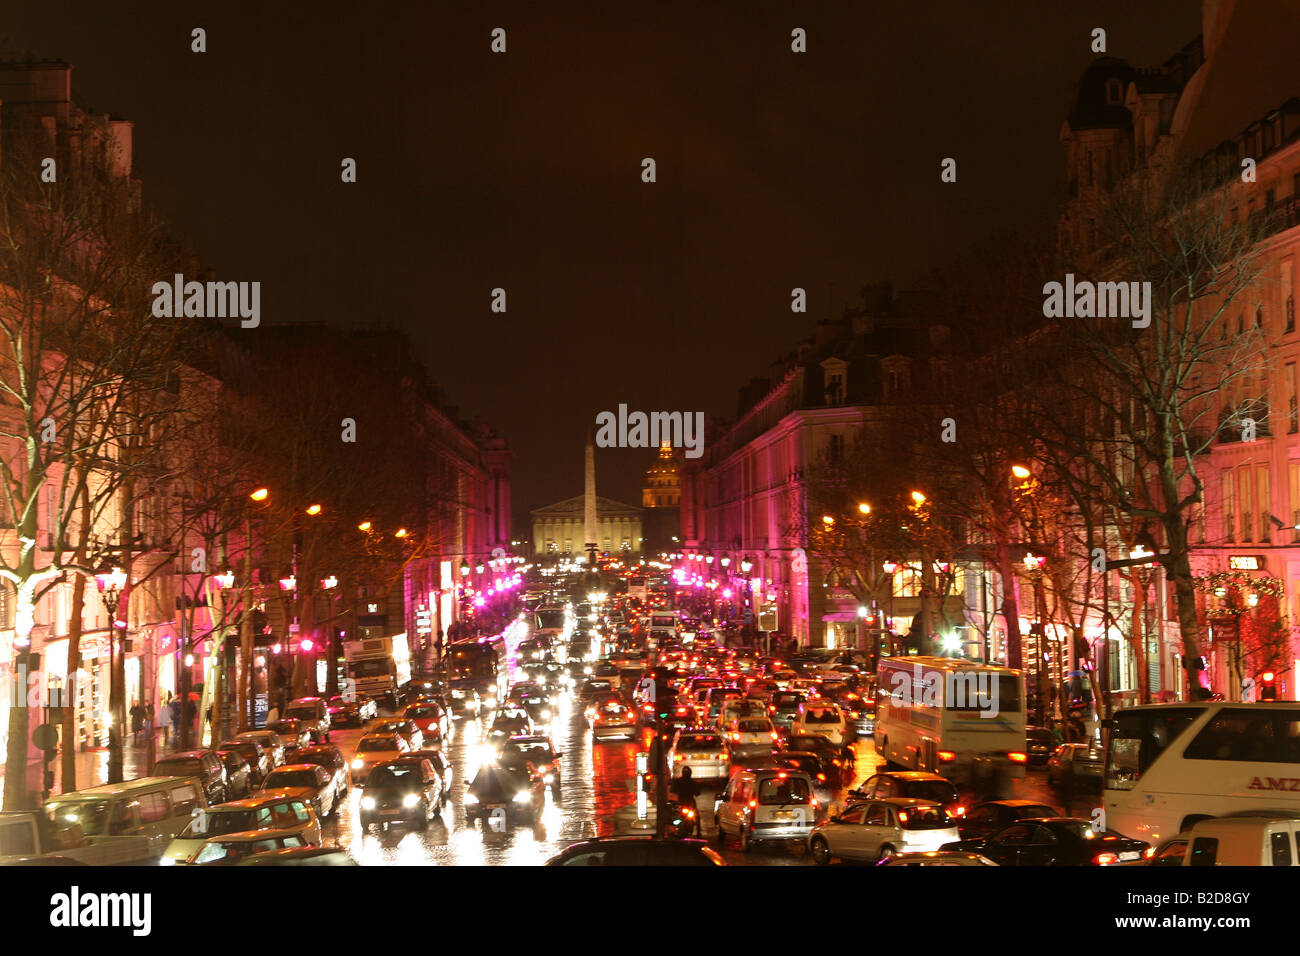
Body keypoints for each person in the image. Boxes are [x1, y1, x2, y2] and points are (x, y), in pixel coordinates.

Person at [671, 766, 702, 835]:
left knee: (696, 816)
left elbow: (697, 792)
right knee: (677, 815)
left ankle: (699, 832)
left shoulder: (689, 782)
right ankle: (699, 832)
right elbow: (697, 792)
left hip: (687, 802)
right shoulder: (690, 782)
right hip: (684, 802)